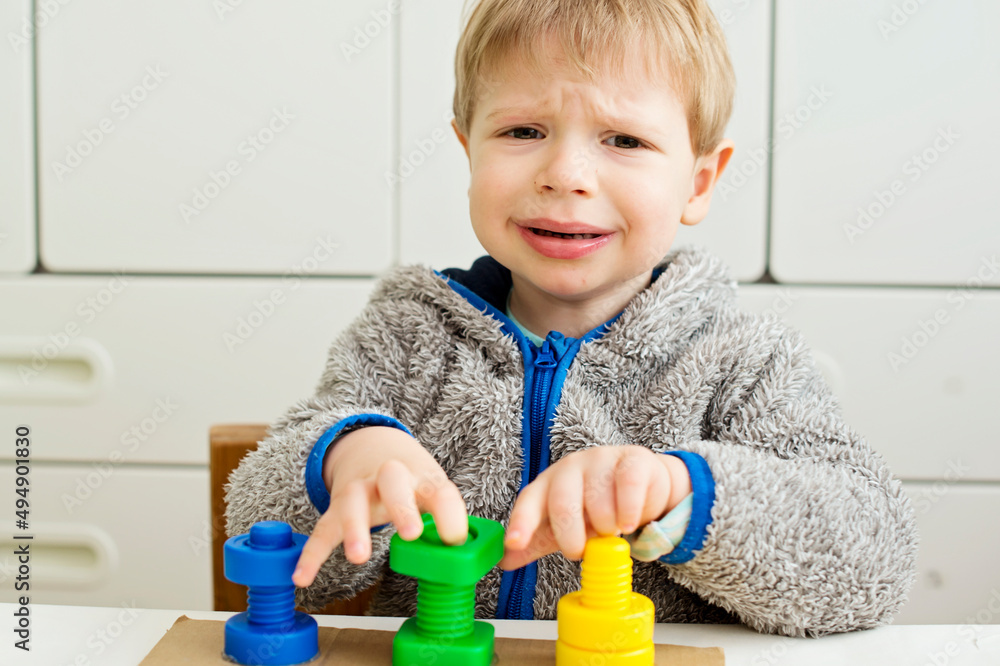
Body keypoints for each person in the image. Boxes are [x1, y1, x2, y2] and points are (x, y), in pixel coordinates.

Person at [226, 0, 917, 637]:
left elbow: (871, 561)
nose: (566, 174)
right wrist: (342, 460)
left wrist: (682, 492)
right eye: (523, 130)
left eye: (623, 140)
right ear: (469, 151)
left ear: (698, 182)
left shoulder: (742, 361)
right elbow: (261, 530)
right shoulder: (405, 338)